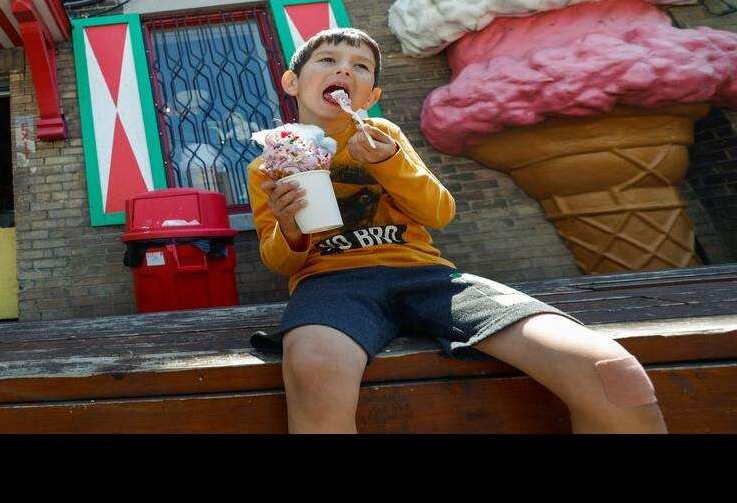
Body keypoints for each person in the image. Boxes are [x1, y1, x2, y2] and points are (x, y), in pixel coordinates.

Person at [248, 27, 668, 433]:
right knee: (313, 373)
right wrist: (290, 227)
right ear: (291, 81)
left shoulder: (384, 136)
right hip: (330, 285)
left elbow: (438, 212)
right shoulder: (266, 166)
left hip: (426, 276)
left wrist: (388, 162)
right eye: (328, 60)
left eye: (361, 66)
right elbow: (279, 262)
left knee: (614, 373)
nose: (344, 71)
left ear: (372, 96)